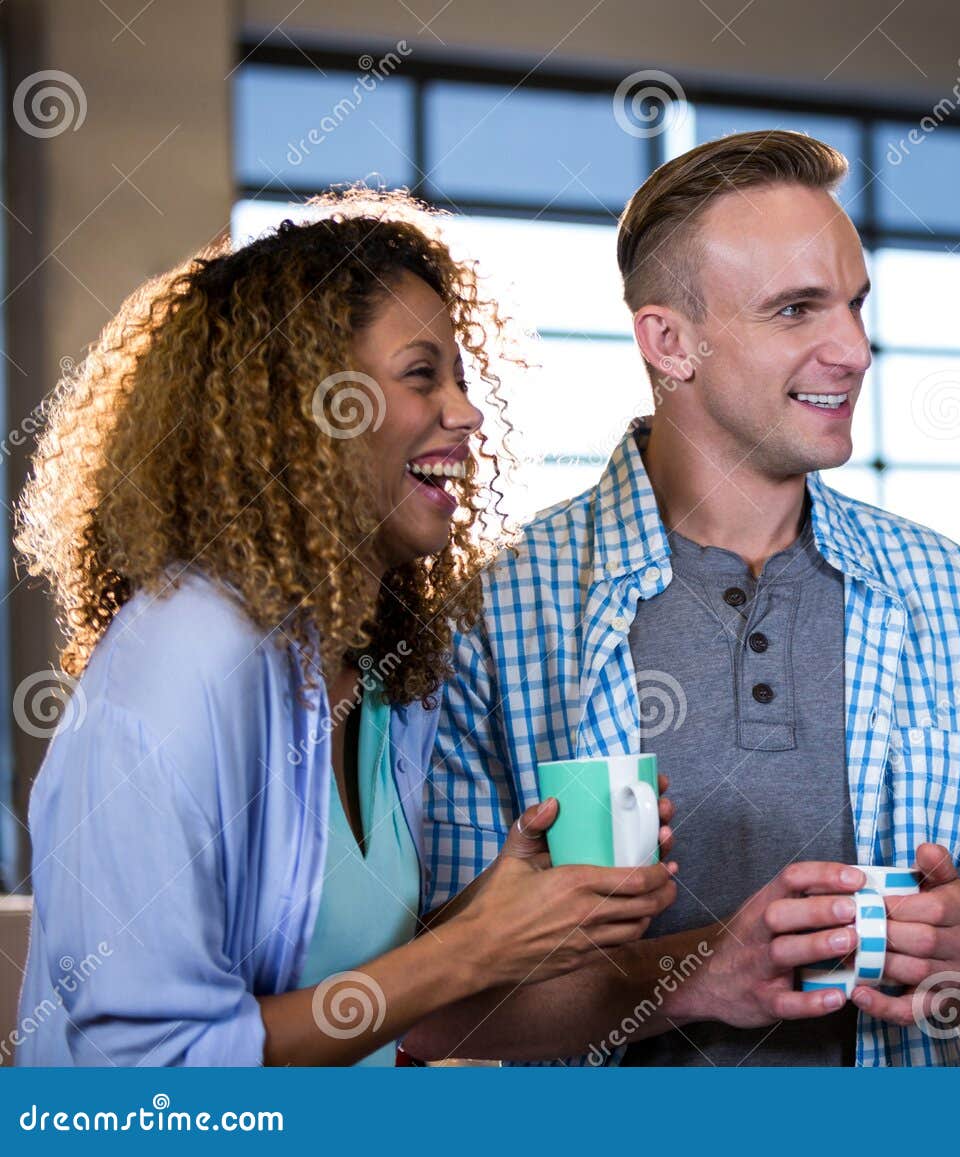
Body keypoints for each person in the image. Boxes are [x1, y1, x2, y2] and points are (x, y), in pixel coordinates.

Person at [405, 131, 960, 1067]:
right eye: (796, 309)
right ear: (669, 343)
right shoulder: (495, 605)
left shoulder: (951, 593)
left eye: (854, 304)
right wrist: (695, 976)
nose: (854, 350)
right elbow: (430, 1007)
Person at [14, 192, 676, 1066]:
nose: (467, 413)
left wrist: (501, 905)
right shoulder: (183, 664)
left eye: (462, 377)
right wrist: (473, 949)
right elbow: (153, 1072)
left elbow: (349, 981)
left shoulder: (382, 669)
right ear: (306, 410)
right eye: (422, 375)